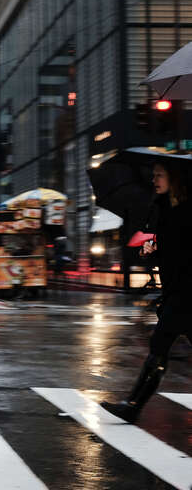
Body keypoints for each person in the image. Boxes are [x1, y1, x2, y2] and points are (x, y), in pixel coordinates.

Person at [101, 162, 192, 423]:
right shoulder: (163, 208)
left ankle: (133, 406)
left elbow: (182, 250)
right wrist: (152, 249)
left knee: (158, 345)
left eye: (159, 175)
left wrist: (162, 246)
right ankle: (132, 406)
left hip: (186, 293)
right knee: (159, 347)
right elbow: (169, 248)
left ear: (174, 179)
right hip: (177, 291)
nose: (154, 179)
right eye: (153, 175)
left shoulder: (186, 211)